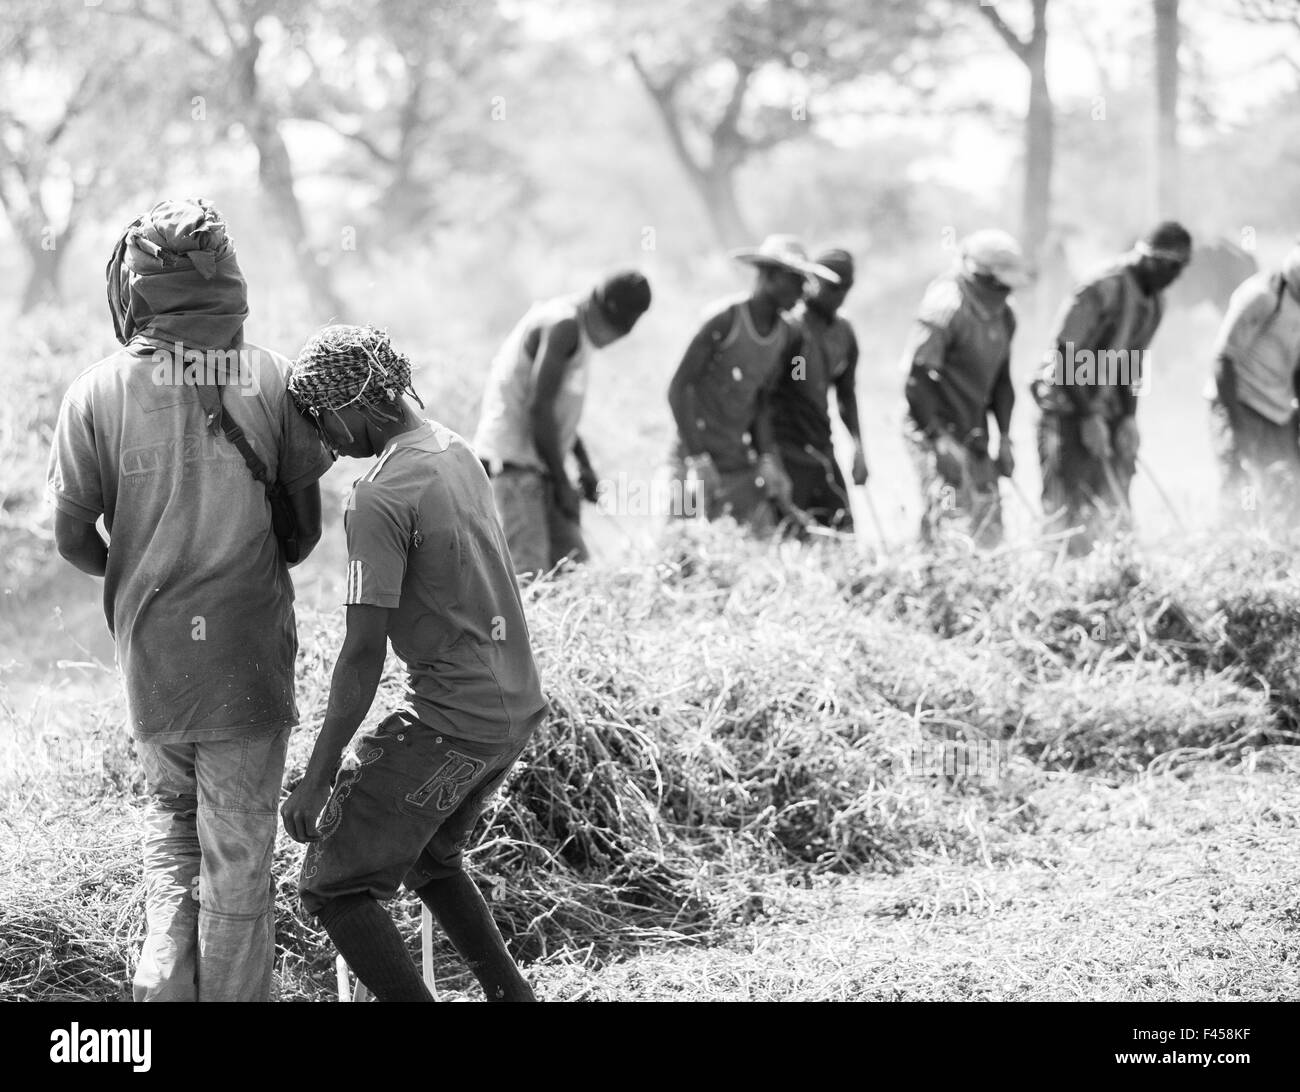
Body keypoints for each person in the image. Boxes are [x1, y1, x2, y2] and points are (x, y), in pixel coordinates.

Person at [47, 198, 329, 1002]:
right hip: (248, 661)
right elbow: (304, 535)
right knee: (237, 864)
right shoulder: (270, 377)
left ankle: (158, 992)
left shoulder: (95, 393)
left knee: (172, 837)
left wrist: (140, 579)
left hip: (153, 659)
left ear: (135, 292)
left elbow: (70, 536)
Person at [282, 325, 549, 1003]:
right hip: (512, 710)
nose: (325, 441)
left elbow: (363, 652)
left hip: (452, 721)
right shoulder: (454, 449)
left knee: (334, 885)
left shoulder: (378, 496)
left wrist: (316, 780)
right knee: (431, 860)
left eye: (321, 419)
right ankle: (512, 995)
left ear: (357, 404)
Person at [473, 271, 651, 576]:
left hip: (539, 467)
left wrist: (583, 465)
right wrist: (562, 482)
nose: (609, 342)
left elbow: (554, 413)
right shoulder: (564, 326)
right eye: (614, 334)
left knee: (573, 571)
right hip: (516, 471)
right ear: (603, 311)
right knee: (530, 577)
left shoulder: (575, 328)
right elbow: (538, 410)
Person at [1031, 221, 1193, 555]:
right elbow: (1064, 353)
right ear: (1152, 259)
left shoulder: (1155, 303)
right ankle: (1059, 578)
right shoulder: (1103, 288)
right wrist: (1088, 415)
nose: (1177, 277)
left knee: (1111, 505)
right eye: (1173, 267)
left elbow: (1131, 363)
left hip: (1107, 410)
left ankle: (1110, 573)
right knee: (1068, 506)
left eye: (1182, 268)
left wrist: (1127, 419)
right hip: (1066, 410)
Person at [666, 234, 840, 531]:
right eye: (796, 281)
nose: (802, 292)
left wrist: (768, 459)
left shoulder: (786, 335)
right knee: (680, 548)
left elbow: (761, 402)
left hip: (735, 464)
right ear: (771, 276)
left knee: (761, 545)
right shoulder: (724, 320)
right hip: (691, 461)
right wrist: (697, 459)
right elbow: (679, 388)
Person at [902, 229, 1028, 547]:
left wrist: (1005, 438)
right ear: (978, 276)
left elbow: (1001, 381)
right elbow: (917, 380)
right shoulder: (946, 307)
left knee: (988, 523)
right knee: (950, 516)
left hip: (974, 430)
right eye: (997, 285)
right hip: (935, 429)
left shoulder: (1005, 316)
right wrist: (939, 440)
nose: (1002, 293)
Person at [768, 248, 867, 530]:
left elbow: (846, 392)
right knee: (793, 531)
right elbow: (784, 386)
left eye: (844, 288)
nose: (837, 296)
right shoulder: (793, 328)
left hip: (823, 445)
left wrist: (858, 447)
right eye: (831, 287)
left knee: (842, 530)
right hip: (788, 447)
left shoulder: (844, 333)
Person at [1206, 239, 1300, 527]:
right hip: (1240, 403)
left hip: (1278, 410)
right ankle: (1233, 553)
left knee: (1285, 489)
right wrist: (1236, 425)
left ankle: (1278, 552)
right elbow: (1224, 359)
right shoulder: (1261, 296)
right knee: (1240, 486)